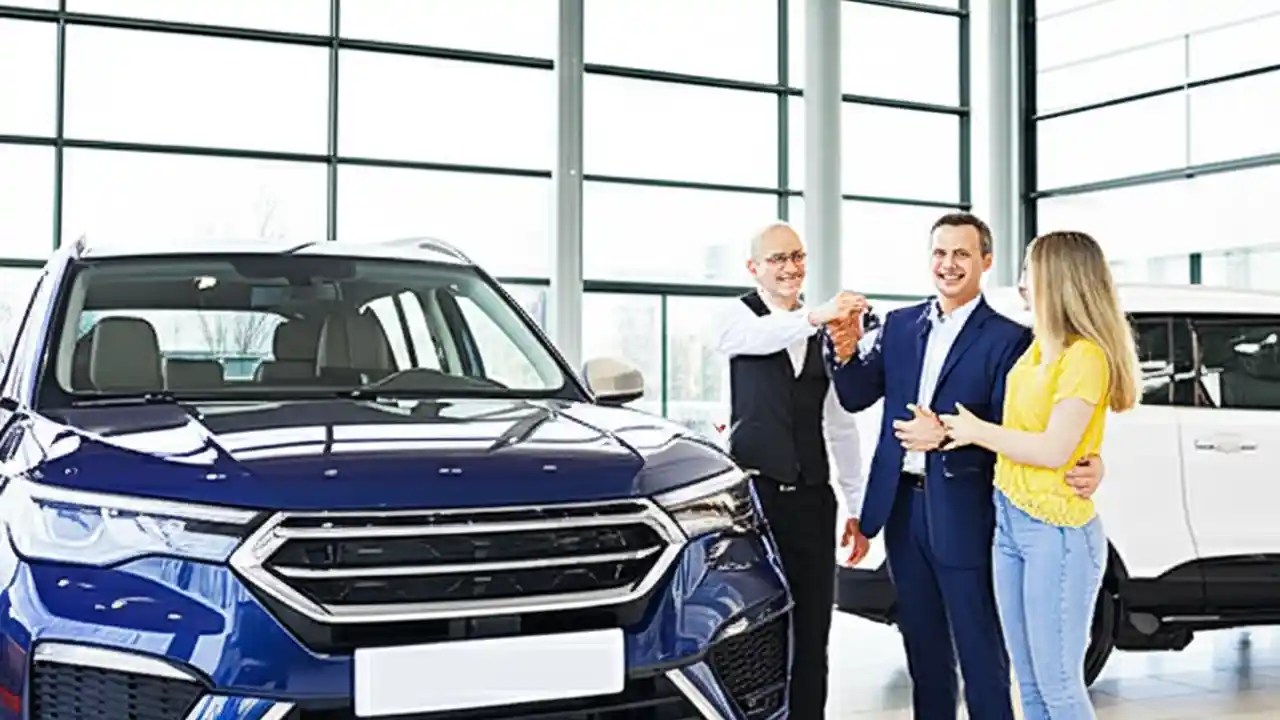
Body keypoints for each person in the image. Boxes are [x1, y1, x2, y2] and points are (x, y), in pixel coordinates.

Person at [823, 213, 1105, 720]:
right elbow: (854, 394)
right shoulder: (900, 324)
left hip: (969, 510)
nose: (948, 265)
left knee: (981, 652)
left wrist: (946, 436)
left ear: (985, 262)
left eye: (961, 254)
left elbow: (1018, 426)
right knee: (924, 653)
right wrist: (841, 348)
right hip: (903, 507)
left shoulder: (1010, 338)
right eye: (939, 253)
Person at [937, 231, 1140, 719]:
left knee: (1059, 686)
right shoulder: (1036, 349)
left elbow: (1053, 449)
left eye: (1029, 270)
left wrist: (975, 431)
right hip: (1010, 521)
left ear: (1056, 278)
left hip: (1057, 533)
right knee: (1027, 684)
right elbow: (1034, 433)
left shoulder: (1085, 357)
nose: (1022, 282)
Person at [707, 221, 870, 720]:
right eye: (777, 259)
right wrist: (819, 316)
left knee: (814, 631)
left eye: (797, 256)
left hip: (812, 501)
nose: (790, 267)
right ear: (754, 268)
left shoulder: (823, 335)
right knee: (752, 629)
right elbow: (753, 338)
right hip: (754, 501)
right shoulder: (735, 319)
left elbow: (839, 425)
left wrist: (857, 507)